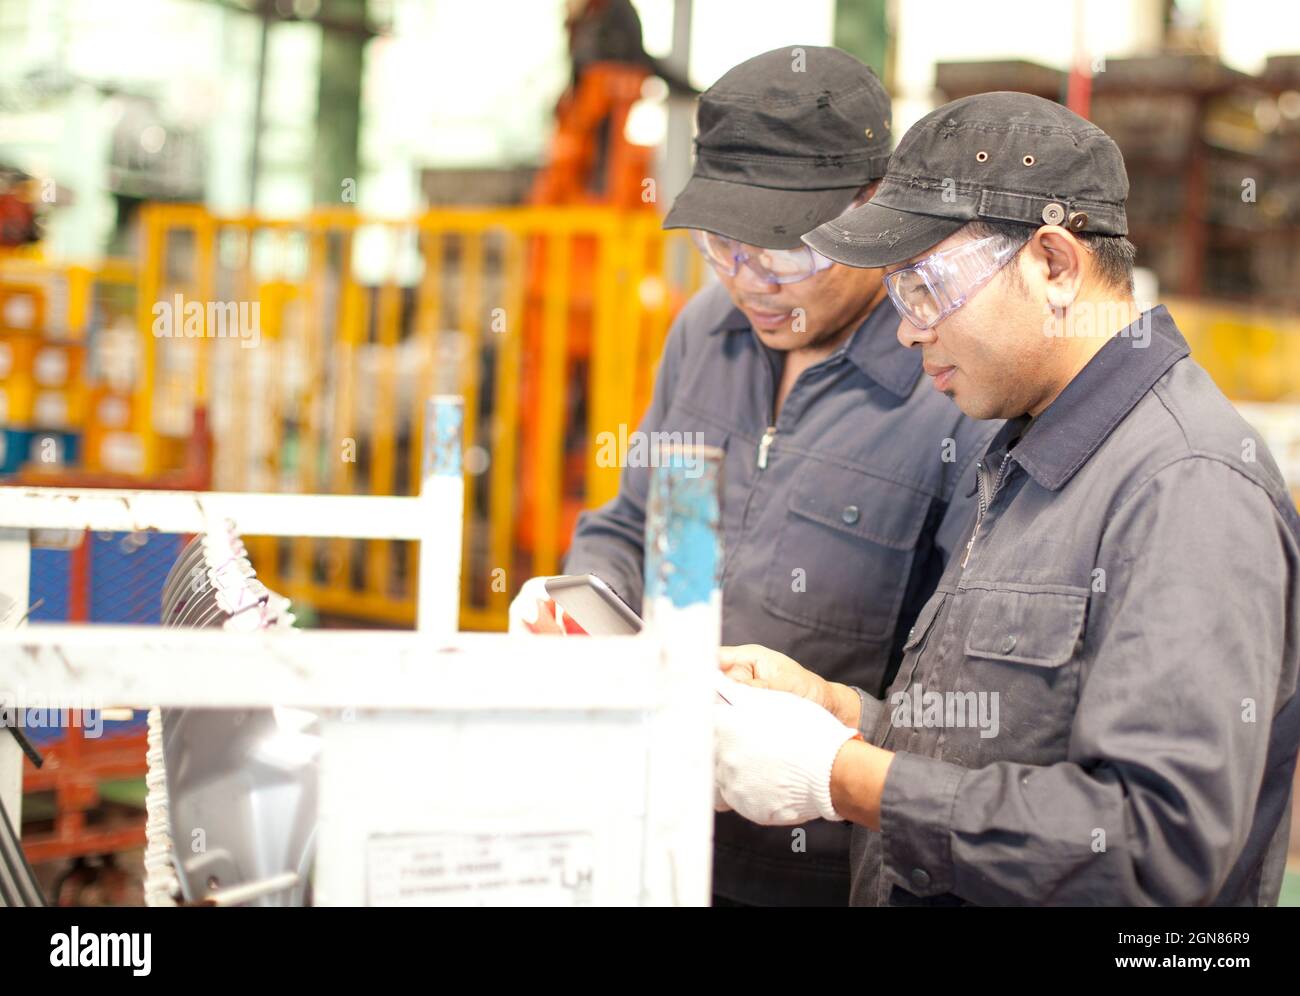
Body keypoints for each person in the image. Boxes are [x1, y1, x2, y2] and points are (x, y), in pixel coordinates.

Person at [713, 90, 1300, 906]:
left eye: (923, 286)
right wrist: (839, 715)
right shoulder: (1028, 448)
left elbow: (1152, 846)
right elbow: (1002, 751)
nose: (910, 329)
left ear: (1053, 265)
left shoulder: (1187, 485)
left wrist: (844, 779)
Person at [510, 47, 996, 906]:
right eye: (720, 247)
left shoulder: (950, 388)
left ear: (871, 212)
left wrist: (833, 718)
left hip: (818, 866)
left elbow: (965, 702)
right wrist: (578, 593)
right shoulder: (703, 333)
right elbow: (629, 521)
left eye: (785, 254)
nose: (750, 283)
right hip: (654, 816)